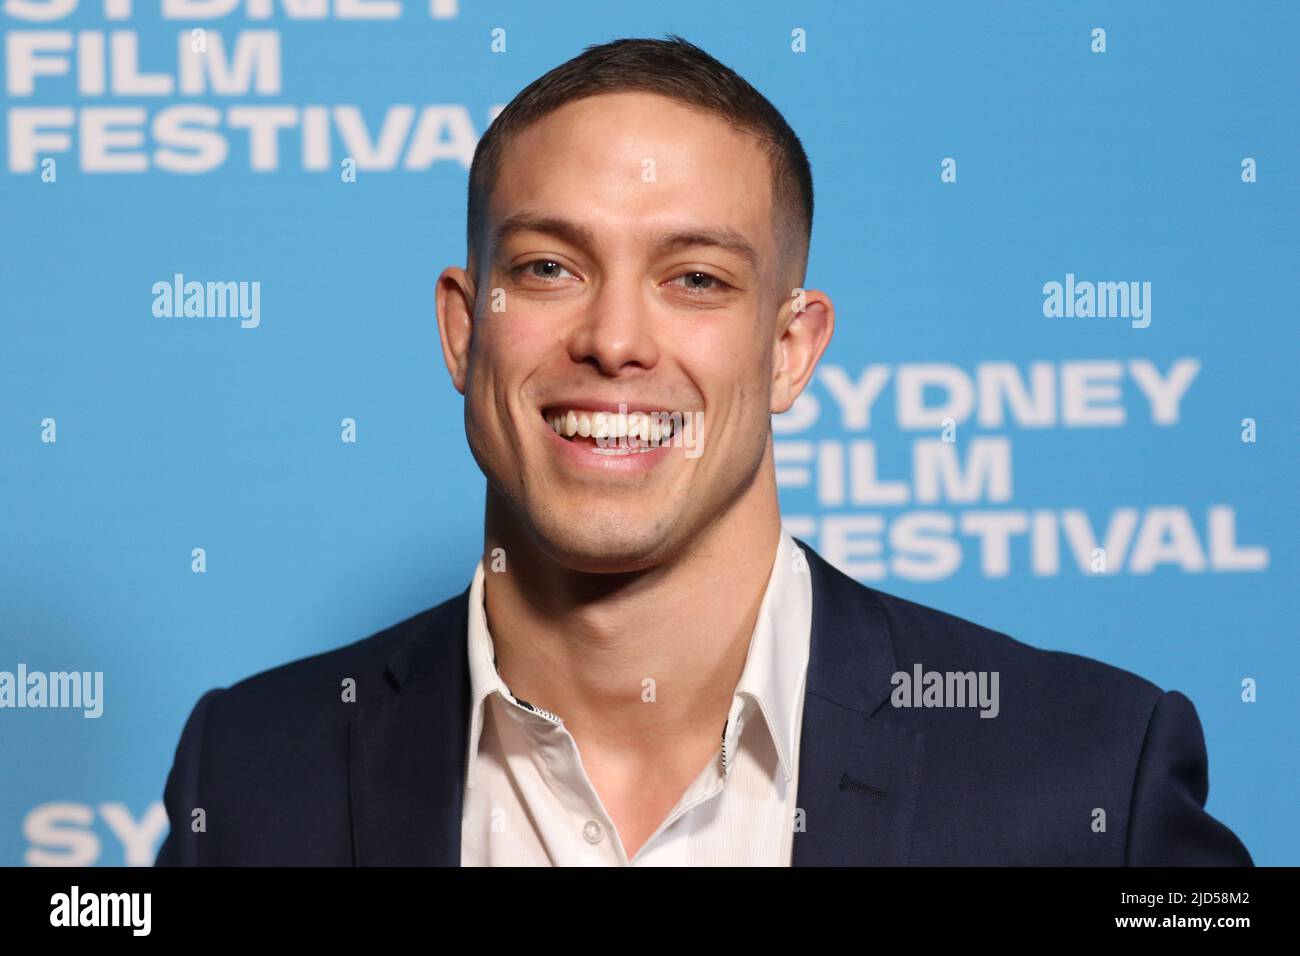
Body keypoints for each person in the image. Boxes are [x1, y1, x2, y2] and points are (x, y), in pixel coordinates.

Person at [155, 35, 1251, 866]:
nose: (615, 341)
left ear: (789, 349)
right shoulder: (251, 772)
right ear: (462, 325)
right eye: (547, 268)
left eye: (695, 279)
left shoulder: (1087, 774)